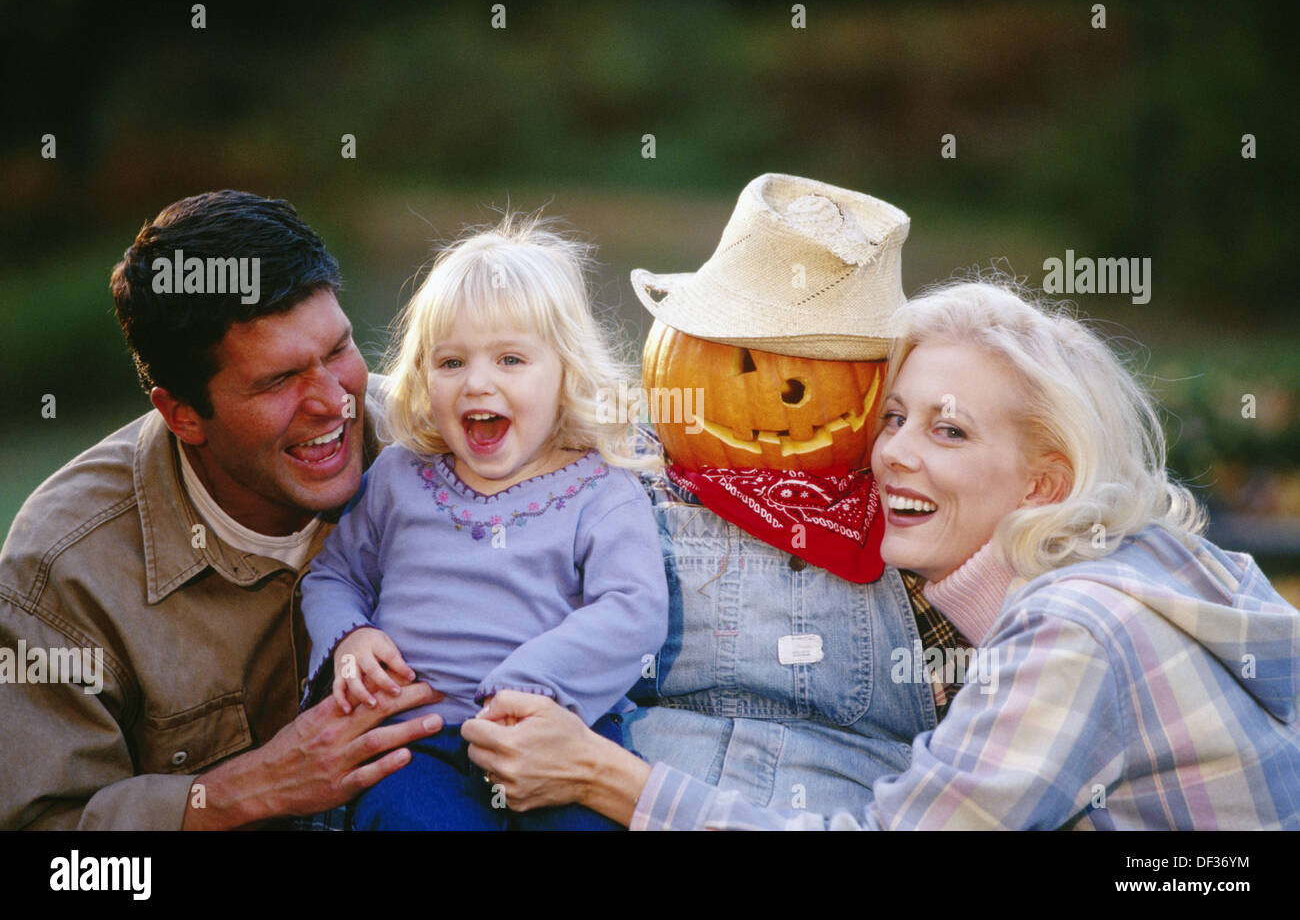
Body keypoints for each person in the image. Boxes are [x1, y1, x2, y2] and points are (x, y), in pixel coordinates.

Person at [463, 278, 1300, 830]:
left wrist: (607, 777)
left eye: (949, 429)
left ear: (1046, 484)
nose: (893, 453)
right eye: (892, 418)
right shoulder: (1138, 560)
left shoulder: (1076, 627)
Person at [0, 190, 442, 831]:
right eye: (279, 380)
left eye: (338, 350)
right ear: (181, 414)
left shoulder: (439, 445)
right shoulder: (61, 576)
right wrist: (236, 794)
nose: (332, 402)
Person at [301, 213, 668, 830]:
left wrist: (535, 677)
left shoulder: (602, 489)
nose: (477, 382)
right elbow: (333, 577)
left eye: (510, 359)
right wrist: (348, 639)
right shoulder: (398, 478)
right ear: (422, 375)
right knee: (406, 816)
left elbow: (633, 610)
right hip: (418, 739)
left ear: (566, 374)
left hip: (555, 735)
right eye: (451, 363)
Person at [619, 173, 969, 817]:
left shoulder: (914, 520)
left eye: (834, 364)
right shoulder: (632, 481)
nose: (793, 391)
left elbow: (980, 722)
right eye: (745, 355)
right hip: (641, 798)